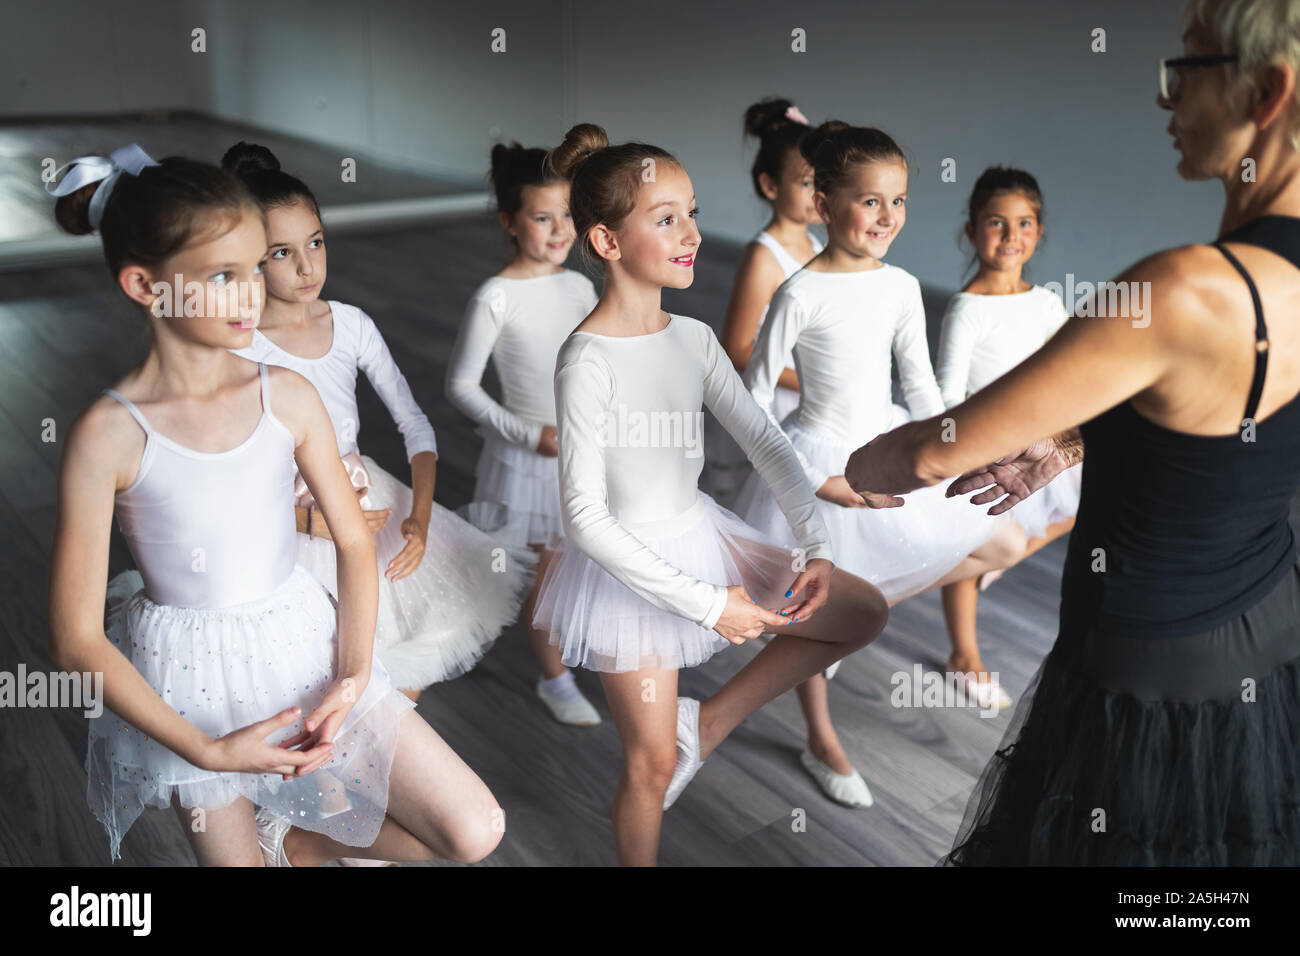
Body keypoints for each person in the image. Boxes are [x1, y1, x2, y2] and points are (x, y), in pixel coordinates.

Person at [846, 0, 1300, 864]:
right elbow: (1221, 419)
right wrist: (1066, 443)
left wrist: (865, 454)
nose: (1167, 100)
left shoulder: (1183, 289)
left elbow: (938, 446)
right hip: (1268, 622)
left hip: (1147, 667)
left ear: (1268, 92)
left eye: (1188, 68)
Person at [532, 123, 889, 865]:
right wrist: (708, 604)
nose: (693, 232)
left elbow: (766, 441)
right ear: (605, 242)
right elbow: (585, 517)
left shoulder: (692, 339)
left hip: (702, 531)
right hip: (626, 570)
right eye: (667, 219)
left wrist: (815, 542)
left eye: (691, 210)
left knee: (859, 610)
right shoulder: (585, 360)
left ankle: (711, 721)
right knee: (651, 765)